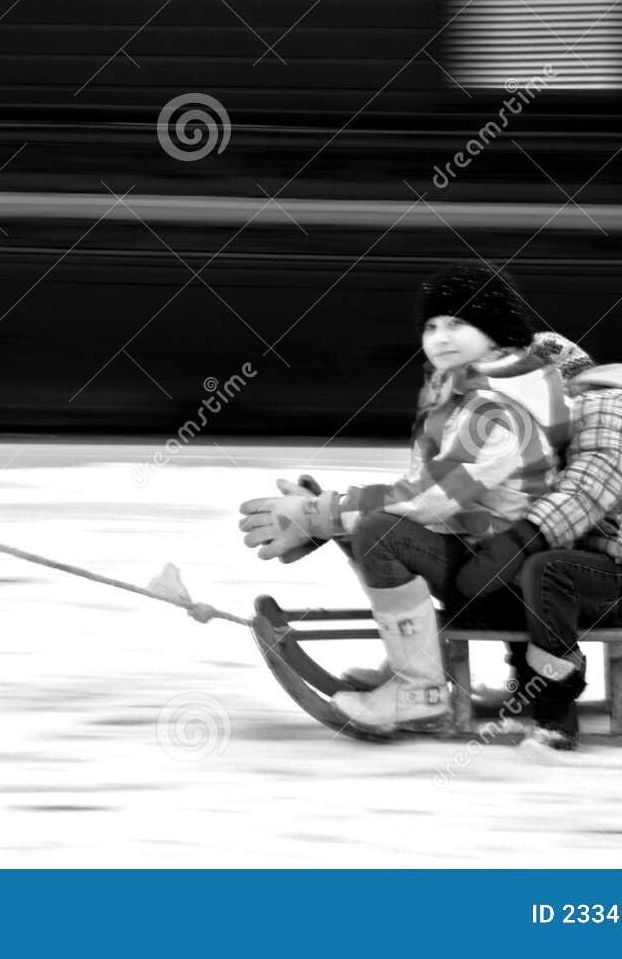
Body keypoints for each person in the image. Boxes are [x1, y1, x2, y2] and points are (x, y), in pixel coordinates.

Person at [240, 262, 571, 733]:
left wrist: (320, 515)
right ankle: (412, 663)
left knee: (382, 533)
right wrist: (327, 518)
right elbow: (426, 493)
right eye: (431, 326)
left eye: (458, 322)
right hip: (486, 553)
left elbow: (430, 498)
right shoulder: (459, 388)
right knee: (374, 526)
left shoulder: (492, 410)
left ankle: (419, 688)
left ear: (495, 331)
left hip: (503, 572)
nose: (440, 336)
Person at [451, 348, 622, 748]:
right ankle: (529, 687)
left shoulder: (606, 406)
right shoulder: (608, 410)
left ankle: (555, 713)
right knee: (529, 567)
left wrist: (519, 538)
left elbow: (589, 488)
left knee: (544, 569)